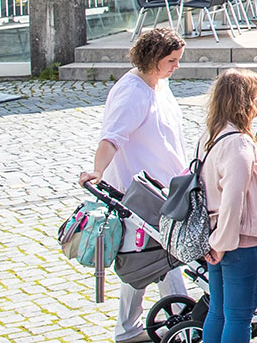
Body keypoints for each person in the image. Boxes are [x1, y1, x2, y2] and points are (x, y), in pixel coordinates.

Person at [78, 28, 190, 343]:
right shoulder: (133, 92)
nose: (176, 67)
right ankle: (177, 321)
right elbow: (111, 137)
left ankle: (131, 328)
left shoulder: (160, 83)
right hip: (139, 193)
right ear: (153, 59)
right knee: (159, 256)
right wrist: (97, 172)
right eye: (172, 60)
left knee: (149, 258)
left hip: (165, 188)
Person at [197, 69, 257, 343]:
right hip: (239, 241)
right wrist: (222, 243)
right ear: (244, 101)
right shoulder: (238, 143)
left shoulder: (211, 136)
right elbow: (233, 199)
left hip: (220, 237)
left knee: (220, 313)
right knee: (238, 318)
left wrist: (217, 242)